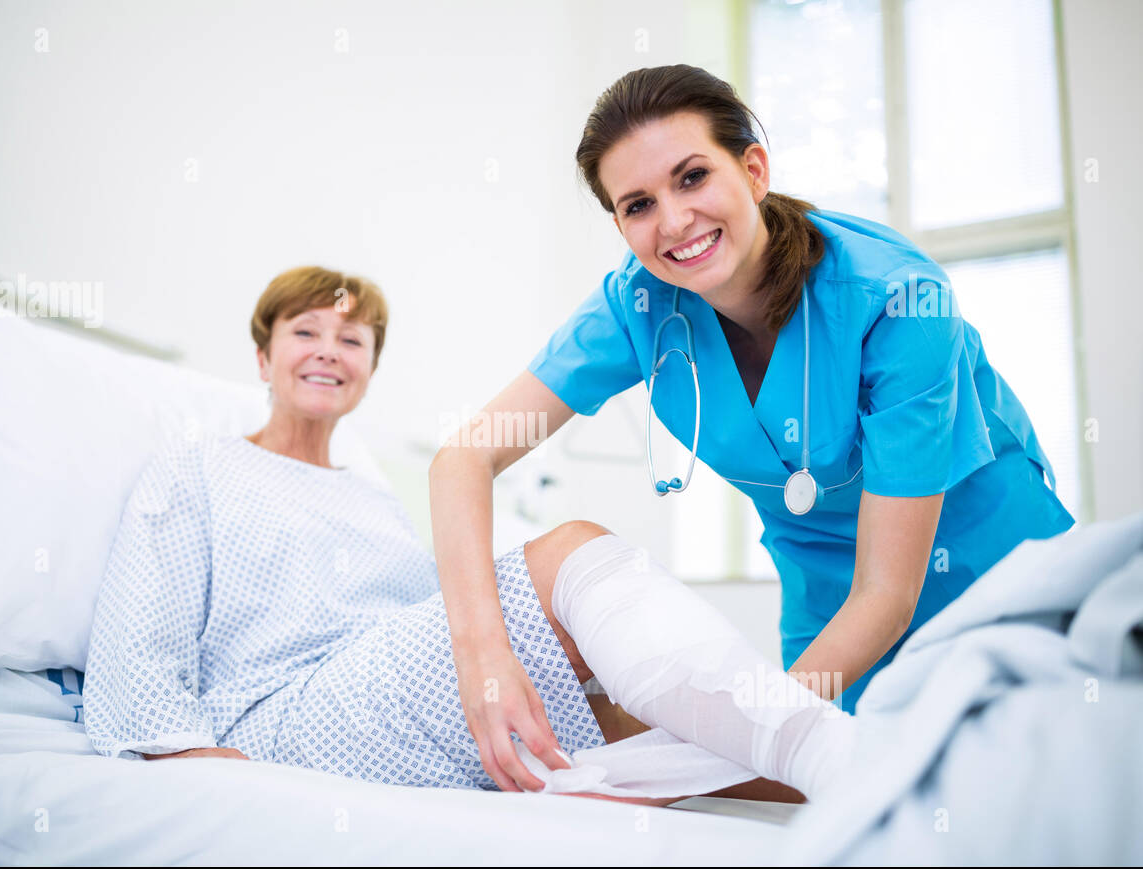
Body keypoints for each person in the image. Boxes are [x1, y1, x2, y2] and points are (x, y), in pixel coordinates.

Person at [428, 64, 1075, 798]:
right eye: (638, 203)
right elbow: (463, 457)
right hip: (828, 597)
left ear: (754, 169)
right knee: (868, 803)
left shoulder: (898, 298)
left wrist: (758, 737)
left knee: (1038, 794)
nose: (673, 222)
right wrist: (482, 654)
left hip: (987, 563)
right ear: (619, 224)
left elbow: (889, 594)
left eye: (693, 177)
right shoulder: (637, 306)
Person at [81, 264, 856, 805]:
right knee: (567, 552)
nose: (327, 350)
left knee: (640, 715)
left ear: (370, 369)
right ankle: (840, 754)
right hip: (283, 714)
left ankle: (862, 778)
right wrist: (180, 751)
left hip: (385, 689)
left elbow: (421, 613)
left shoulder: (372, 498)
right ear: (262, 355)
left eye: (351, 340)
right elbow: (139, 627)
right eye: (304, 331)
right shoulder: (198, 471)